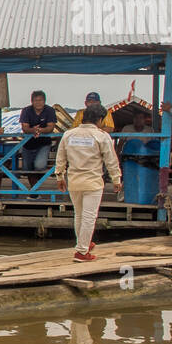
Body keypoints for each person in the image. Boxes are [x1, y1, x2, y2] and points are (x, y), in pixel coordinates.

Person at [55, 103, 123, 262]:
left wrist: (59, 176)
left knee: (79, 215)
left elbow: (60, 157)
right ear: (99, 120)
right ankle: (82, 251)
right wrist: (116, 178)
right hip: (92, 182)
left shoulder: (69, 135)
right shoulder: (101, 136)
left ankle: (83, 243)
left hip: (74, 180)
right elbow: (111, 160)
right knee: (89, 217)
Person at [19, 90, 58, 192]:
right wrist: (34, 130)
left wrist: (40, 131)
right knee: (27, 169)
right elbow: (25, 128)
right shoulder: (26, 110)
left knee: (39, 166)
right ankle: (34, 191)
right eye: (36, 100)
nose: (38, 102)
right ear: (32, 101)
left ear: (44, 101)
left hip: (43, 143)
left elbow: (51, 128)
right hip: (28, 144)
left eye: (41, 100)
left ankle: (35, 188)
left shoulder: (49, 110)